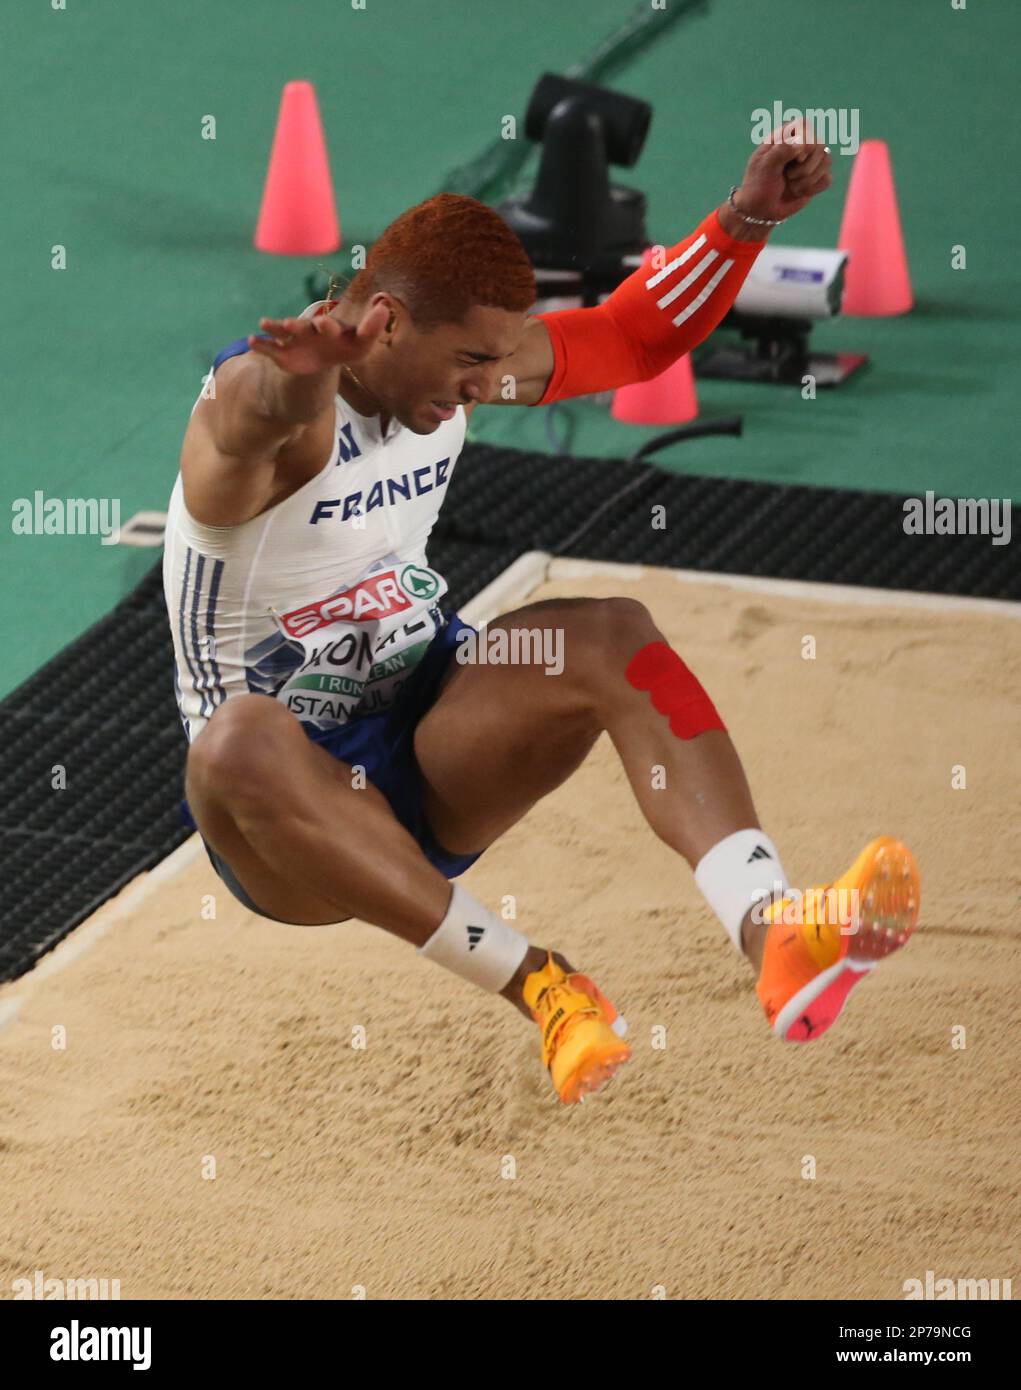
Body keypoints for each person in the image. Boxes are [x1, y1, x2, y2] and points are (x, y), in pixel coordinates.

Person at [163, 123, 919, 1105]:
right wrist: (300, 371)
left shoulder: (444, 375)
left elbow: (635, 337)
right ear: (384, 323)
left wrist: (745, 220)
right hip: (286, 821)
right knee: (235, 742)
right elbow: (252, 410)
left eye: (496, 361)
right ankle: (542, 985)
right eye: (472, 359)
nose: (490, 384)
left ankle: (772, 927)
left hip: (433, 740)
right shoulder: (269, 424)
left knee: (608, 630)